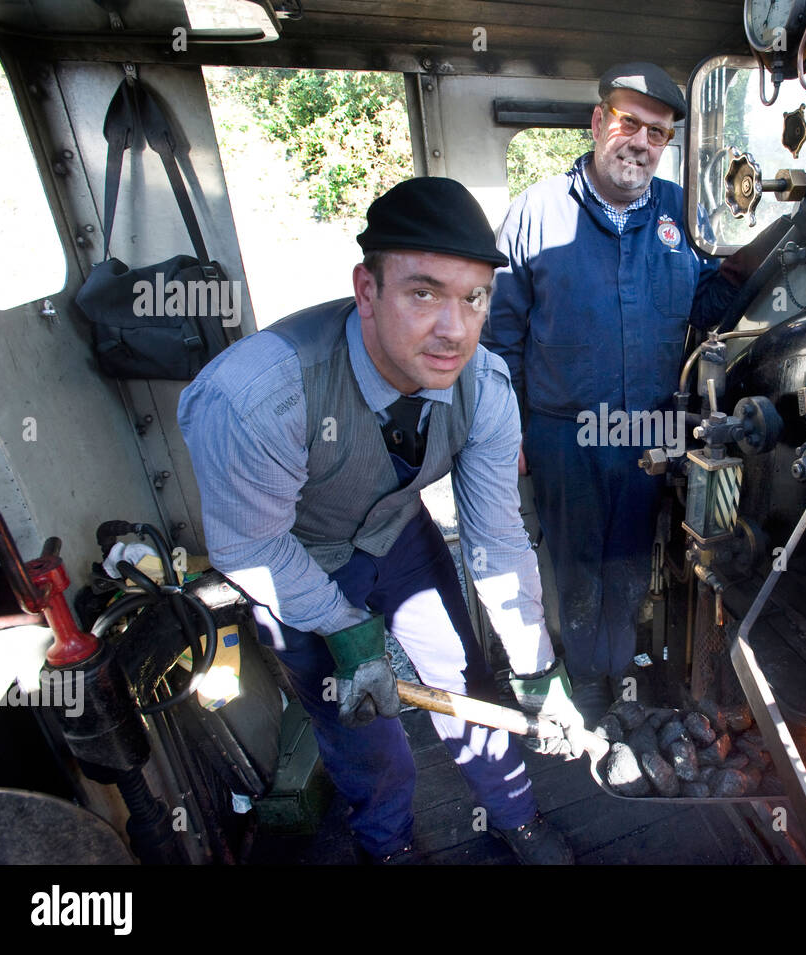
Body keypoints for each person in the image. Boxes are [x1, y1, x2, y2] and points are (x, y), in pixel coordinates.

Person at [178, 178, 581, 865]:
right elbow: (251, 545)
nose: (454, 328)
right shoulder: (257, 397)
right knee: (359, 721)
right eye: (424, 292)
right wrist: (343, 626)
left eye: (474, 297)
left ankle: (516, 813)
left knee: (462, 674)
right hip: (294, 562)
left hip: (398, 536)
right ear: (367, 289)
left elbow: (496, 541)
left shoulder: (484, 388)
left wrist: (538, 669)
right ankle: (387, 844)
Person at [485, 63, 749, 721]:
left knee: (631, 559)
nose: (641, 142)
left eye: (657, 132)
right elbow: (497, 336)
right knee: (575, 566)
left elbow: (712, 301)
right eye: (629, 122)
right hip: (561, 431)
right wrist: (510, 430)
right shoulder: (535, 212)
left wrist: (770, 242)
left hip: (648, 433)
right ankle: (589, 679)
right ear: (598, 122)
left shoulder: (681, 213)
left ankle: (620, 662)